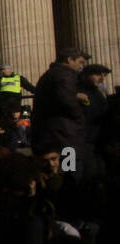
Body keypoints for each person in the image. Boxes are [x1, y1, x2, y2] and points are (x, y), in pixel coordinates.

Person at [32, 49, 91, 179]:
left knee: (61, 172)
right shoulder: (64, 74)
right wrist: (81, 118)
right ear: (69, 60)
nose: (82, 66)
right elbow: (66, 100)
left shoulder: (51, 74)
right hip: (66, 134)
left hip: (54, 132)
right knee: (70, 173)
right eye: (80, 62)